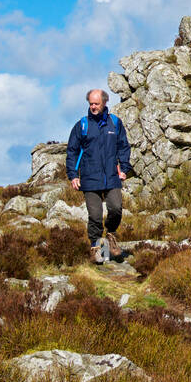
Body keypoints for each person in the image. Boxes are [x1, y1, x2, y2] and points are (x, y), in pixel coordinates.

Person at [66, 89, 131, 264]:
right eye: (91, 104)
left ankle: (111, 237)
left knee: (116, 209)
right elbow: (72, 151)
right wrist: (73, 175)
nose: (93, 107)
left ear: (104, 103)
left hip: (111, 176)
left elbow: (124, 147)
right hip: (89, 178)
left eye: (96, 104)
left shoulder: (115, 123)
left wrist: (124, 168)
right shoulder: (82, 125)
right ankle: (96, 249)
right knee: (95, 216)